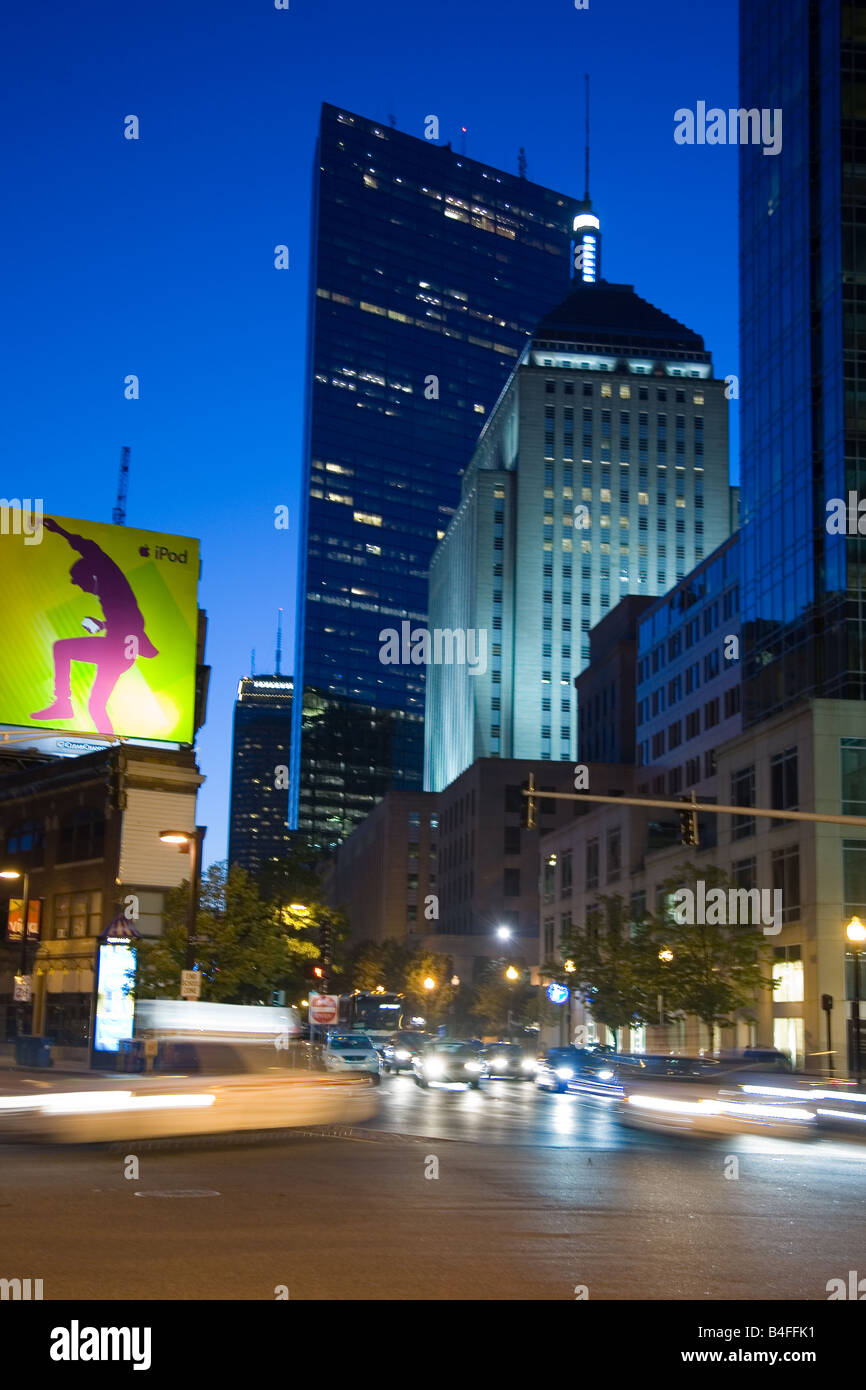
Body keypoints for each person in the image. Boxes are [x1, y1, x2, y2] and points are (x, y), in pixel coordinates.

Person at [30, 518, 158, 736]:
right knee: (96, 706)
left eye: (79, 582)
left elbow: (92, 550)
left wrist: (59, 530)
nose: (81, 588)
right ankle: (112, 744)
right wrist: (103, 624)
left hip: (116, 650)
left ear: (91, 576)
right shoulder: (112, 593)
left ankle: (63, 703)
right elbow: (131, 620)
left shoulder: (110, 579)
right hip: (122, 655)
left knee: (62, 648)